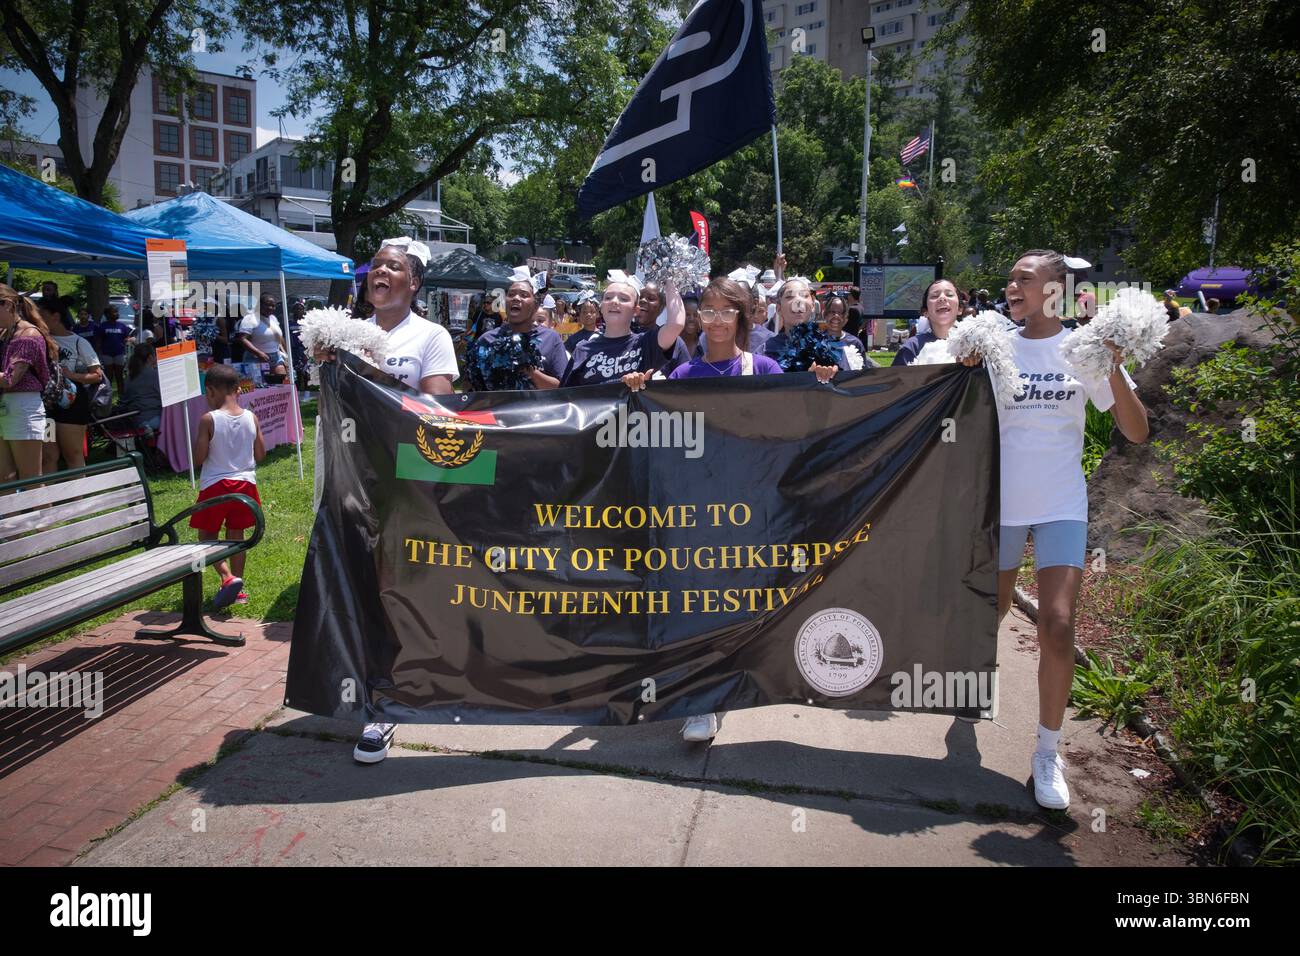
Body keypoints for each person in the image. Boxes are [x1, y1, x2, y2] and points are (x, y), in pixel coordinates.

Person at [995, 249, 1148, 810]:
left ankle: (1046, 751)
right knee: (992, 607)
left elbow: (1136, 431)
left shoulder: (1084, 348)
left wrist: (1111, 366)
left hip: (1061, 504)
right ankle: (970, 687)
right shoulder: (994, 347)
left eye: (1025, 279)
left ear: (1055, 289)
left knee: (1058, 624)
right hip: (1002, 505)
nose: (1013, 285)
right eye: (1011, 278)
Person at [315, 237, 458, 765]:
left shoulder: (431, 335)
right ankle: (360, 681)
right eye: (375, 266)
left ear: (413, 283)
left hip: (403, 482)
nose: (380, 273)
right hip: (348, 473)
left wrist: (372, 375)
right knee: (356, 580)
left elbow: (437, 411)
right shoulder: (345, 332)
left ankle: (390, 702)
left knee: (400, 586)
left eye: (393, 267)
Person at [191, 363, 266, 612]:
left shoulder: (208, 419)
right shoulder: (251, 417)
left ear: (210, 390)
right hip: (246, 485)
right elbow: (261, 453)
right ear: (238, 389)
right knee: (237, 536)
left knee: (206, 536)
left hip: (216, 485)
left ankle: (226, 577)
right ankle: (240, 588)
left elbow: (199, 458)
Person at [561, 271, 687, 387]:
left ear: (636, 310)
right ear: (601, 307)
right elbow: (564, 401)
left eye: (624, 299)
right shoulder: (582, 350)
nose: (614, 302)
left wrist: (668, 278)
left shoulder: (645, 344)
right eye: (608, 297)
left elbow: (675, 324)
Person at [471, 272, 568, 389]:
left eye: (524, 295)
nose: (516, 298)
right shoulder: (486, 339)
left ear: (536, 305)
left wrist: (529, 370)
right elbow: (472, 387)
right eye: (511, 294)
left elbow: (562, 387)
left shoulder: (551, 339)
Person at [39, 296, 102, 474]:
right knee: (48, 456)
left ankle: (78, 501)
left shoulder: (78, 342)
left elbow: (97, 375)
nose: (37, 320)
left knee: (72, 454)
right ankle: (48, 502)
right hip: (46, 406)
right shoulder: (38, 339)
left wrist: (72, 375)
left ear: (55, 316)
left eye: (42, 315)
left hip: (72, 404)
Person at [0, 285, 55, 482]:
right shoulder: (6, 334)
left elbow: (9, 379)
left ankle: (44, 514)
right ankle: (10, 514)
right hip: (6, 408)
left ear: (7, 305)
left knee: (31, 480)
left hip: (23, 409)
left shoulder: (28, 336)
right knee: (4, 478)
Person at [761, 277, 838, 384]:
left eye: (804, 296)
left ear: (812, 305)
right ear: (778, 308)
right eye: (789, 296)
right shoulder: (765, 350)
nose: (798, 301)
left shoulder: (833, 348)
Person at [893, 279, 961, 366]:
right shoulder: (912, 347)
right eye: (934, 296)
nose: (942, 298)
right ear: (925, 312)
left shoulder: (975, 346)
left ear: (960, 309)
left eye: (949, 294)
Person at [236, 294, 289, 376]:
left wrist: (286, 354)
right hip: (255, 358)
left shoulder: (273, 318)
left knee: (281, 381)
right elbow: (243, 339)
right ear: (259, 305)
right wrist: (258, 353)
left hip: (276, 357)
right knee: (259, 386)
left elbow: (279, 337)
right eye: (267, 305)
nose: (270, 308)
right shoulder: (250, 318)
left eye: (273, 306)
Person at [117, 342, 163, 431]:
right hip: (153, 419)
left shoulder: (129, 377)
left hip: (135, 421)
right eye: (155, 355)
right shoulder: (156, 375)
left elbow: (123, 400)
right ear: (150, 358)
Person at [821, 294, 874, 371]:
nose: (836, 316)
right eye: (832, 312)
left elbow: (863, 373)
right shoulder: (816, 341)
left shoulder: (855, 343)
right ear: (824, 315)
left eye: (841, 313)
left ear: (846, 319)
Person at [97, 305, 132, 392]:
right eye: (114, 312)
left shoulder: (122, 326)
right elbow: (99, 341)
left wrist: (127, 341)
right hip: (106, 354)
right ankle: (107, 395)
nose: (116, 314)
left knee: (119, 376)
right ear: (108, 314)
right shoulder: (102, 326)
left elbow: (126, 338)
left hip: (119, 353)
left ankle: (121, 396)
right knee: (108, 376)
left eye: (117, 312)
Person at [679, 292, 702, 357]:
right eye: (687, 315)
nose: (691, 319)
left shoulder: (706, 343)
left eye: (695, 315)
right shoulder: (671, 342)